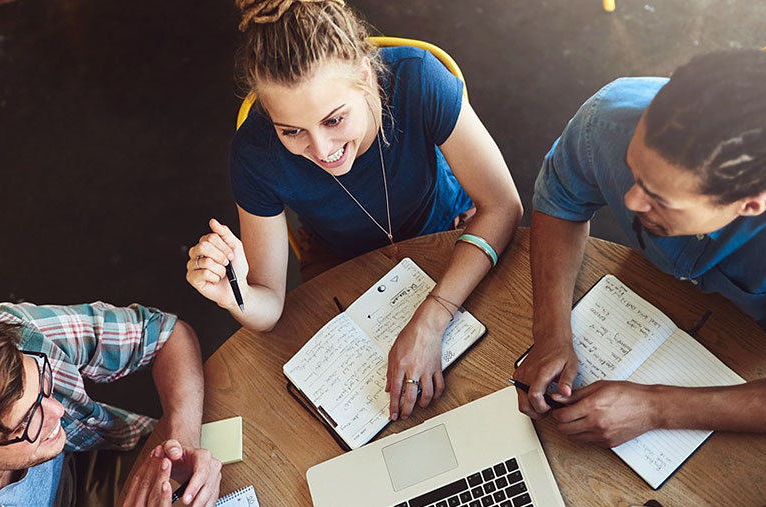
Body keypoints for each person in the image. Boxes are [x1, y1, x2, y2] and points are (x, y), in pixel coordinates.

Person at [186, 0, 522, 421]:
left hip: (449, 229)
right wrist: (233, 293)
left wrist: (433, 318)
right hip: (342, 262)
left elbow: (503, 205)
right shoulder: (255, 155)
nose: (323, 152)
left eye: (334, 120)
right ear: (267, 115)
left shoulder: (418, 80)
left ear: (365, 76)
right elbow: (269, 306)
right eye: (291, 131)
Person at [514, 49, 766, 447]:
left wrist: (656, 408)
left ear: (749, 205)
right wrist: (551, 332)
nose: (629, 201)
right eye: (634, 169)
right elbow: (562, 199)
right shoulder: (609, 118)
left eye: (659, 199)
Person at [0, 302, 222, 507]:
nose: (57, 411)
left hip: (104, 460)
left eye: (42, 383)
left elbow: (166, 334)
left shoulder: (17, 332)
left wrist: (182, 437)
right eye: (28, 422)